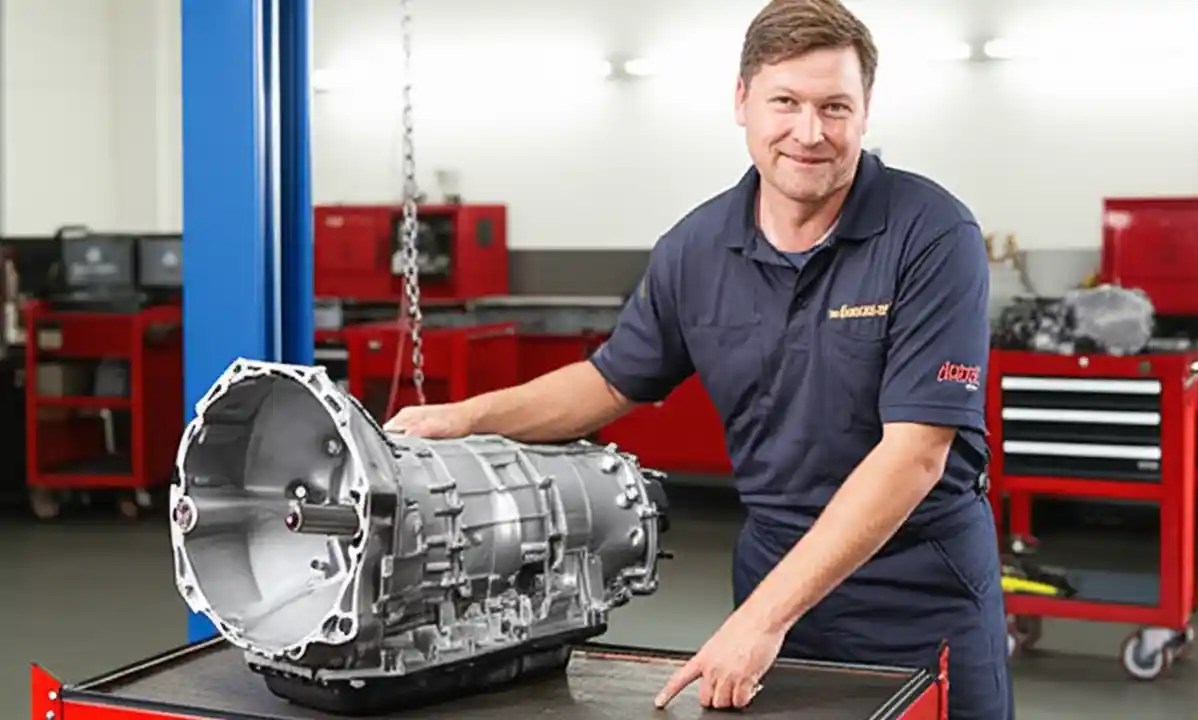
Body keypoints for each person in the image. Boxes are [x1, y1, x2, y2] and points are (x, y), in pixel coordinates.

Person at [386, 0, 1011, 717]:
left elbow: (915, 455)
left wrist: (760, 621)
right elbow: (609, 382)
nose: (810, 132)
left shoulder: (932, 235)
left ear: (865, 112)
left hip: (918, 591)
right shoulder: (697, 248)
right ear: (742, 101)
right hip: (777, 579)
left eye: (835, 107)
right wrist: (466, 418)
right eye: (786, 102)